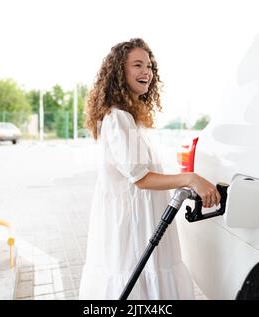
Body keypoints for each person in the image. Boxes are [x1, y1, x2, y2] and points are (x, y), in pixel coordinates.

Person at [79, 38, 221, 300]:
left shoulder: (132, 117)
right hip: (132, 224)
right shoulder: (118, 117)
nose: (147, 71)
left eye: (149, 66)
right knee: (136, 284)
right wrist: (190, 178)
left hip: (143, 217)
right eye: (137, 65)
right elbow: (141, 178)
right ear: (119, 71)